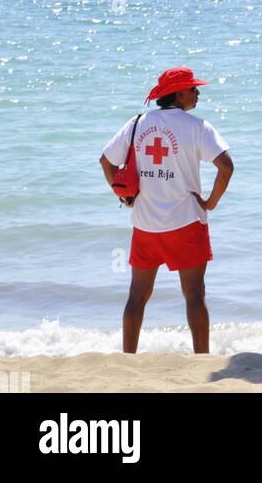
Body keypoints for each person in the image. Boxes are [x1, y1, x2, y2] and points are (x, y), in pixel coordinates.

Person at [99, 66, 233, 354]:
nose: (197, 94)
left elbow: (106, 162)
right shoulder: (197, 127)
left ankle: (128, 360)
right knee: (194, 296)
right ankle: (201, 360)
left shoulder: (136, 124)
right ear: (180, 92)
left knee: (137, 296)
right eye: (194, 89)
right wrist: (211, 202)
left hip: (145, 226)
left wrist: (123, 197)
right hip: (186, 224)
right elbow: (226, 166)